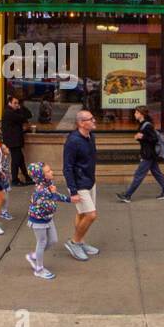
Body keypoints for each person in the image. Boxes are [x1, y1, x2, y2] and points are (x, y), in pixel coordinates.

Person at [62, 109, 101, 259]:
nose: (94, 121)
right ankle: (74, 242)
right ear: (81, 123)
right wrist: (73, 191)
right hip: (79, 184)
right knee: (91, 215)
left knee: (82, 213)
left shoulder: (91, 136)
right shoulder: (73, 141)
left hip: (90, 181)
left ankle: (80, 242)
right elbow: (67, 167)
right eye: (90, 119)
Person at [21, 162, 68, 280]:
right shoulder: (41, 191)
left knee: (53, 240)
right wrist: (53, 194)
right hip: (38, 220)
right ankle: (39, 269)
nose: (51, 172)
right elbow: (52, 207)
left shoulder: (49, 184)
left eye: (50, 169)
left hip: (47, 218)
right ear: (41, 176)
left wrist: (69, 199)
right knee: (41, 242)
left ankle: (34, 256)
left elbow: (55, 196)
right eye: (48, 171)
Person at [120, 110, 164, 203]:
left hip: (148, 155)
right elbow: (146, 139)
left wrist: (142, 137)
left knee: (138, 175)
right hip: (149, 153)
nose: (134, 114)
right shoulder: (143, 124)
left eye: (136, 113)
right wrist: (139, 137)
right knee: (156, 172)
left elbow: (154, 139)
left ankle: (127, 195)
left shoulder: (147, 125)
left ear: (141, 114)